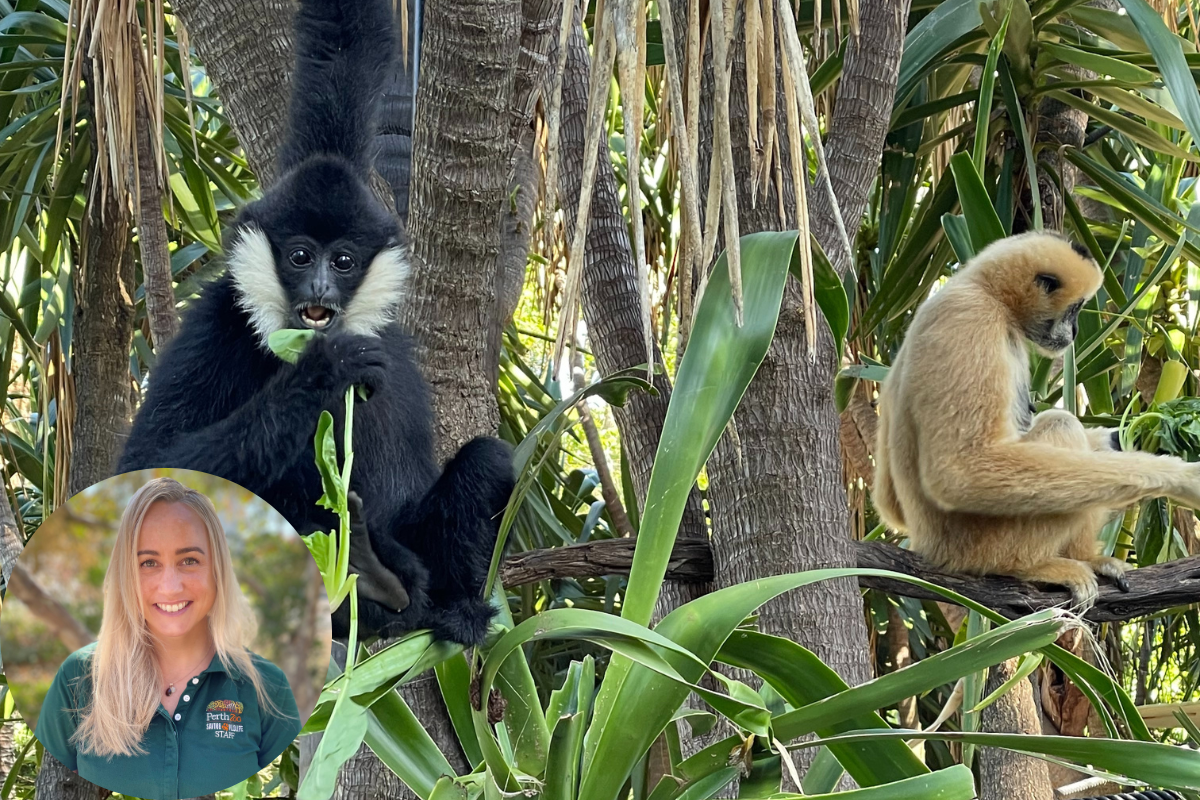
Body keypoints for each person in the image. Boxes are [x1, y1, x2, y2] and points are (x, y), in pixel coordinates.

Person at [36, 477, 302, 799]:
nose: (170, 587)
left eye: (189, 560)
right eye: (148, 563)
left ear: (217, 570)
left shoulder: (267, 687)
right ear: (126, 575)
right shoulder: (77, 678)